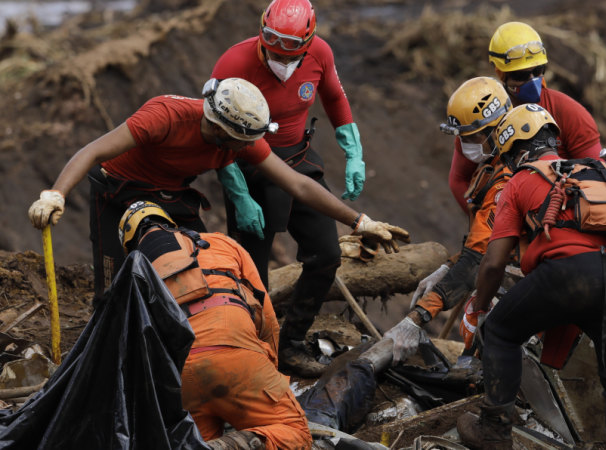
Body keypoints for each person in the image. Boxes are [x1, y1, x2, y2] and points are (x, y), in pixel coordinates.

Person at [27, 77, 408, 310]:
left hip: (173, 195)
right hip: (117, 190)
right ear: (219, 125)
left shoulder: (238, 140)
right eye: (233, 140)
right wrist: (55, 194)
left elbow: (297, 183)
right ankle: (107, 353)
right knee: (113, 287)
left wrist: (360, 221)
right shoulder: (165, 115)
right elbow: (93, 150)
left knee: (201, 265)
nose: (239, 148)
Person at [456, 104, 606, 449]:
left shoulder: (519, 181)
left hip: (569, 273)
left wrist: (477, 308)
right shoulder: (598, 169)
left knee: (499, 331)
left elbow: (494, 263)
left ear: (515, 149)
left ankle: (494, 434)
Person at [210, 0, 367, 376]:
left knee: (326, 254)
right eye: (273, 53)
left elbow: (333, 96)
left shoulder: (320, 54)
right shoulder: (234, 64)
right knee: (252, 273)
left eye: (290, 55)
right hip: (248, 168)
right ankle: (254, 352)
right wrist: (239, 194)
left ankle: (291, 341)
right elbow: (215, 132)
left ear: (308, 42)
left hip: (298, 161)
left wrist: (353, 149)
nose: (281, 62)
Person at [118, 201, 310, 450]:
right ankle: (230, 446)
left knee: (196, 444)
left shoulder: (132, 276)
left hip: (181, 380)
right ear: (170, 224)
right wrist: (266, 369)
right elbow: (266, 316)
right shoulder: (220, 243)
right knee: (295, 433)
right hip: (237, 356)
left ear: (130, 246)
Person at [384, 76, 513, 363]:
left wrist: (417, 319)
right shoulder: (494, 166)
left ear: (496, 130)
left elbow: (480, 258)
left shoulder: (509, 179)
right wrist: (447, 267)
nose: (464, 145)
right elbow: (481, 242)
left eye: (470, 138)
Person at [449, 21, 602, 215]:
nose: (532, 80)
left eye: (538, 72)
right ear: (499, 72)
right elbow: (458, 179)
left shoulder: (569, 113)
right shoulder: (480, 115)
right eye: (521, 75)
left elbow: (599, 177)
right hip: (502, 213)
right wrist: (480, 223)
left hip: (558, 215)